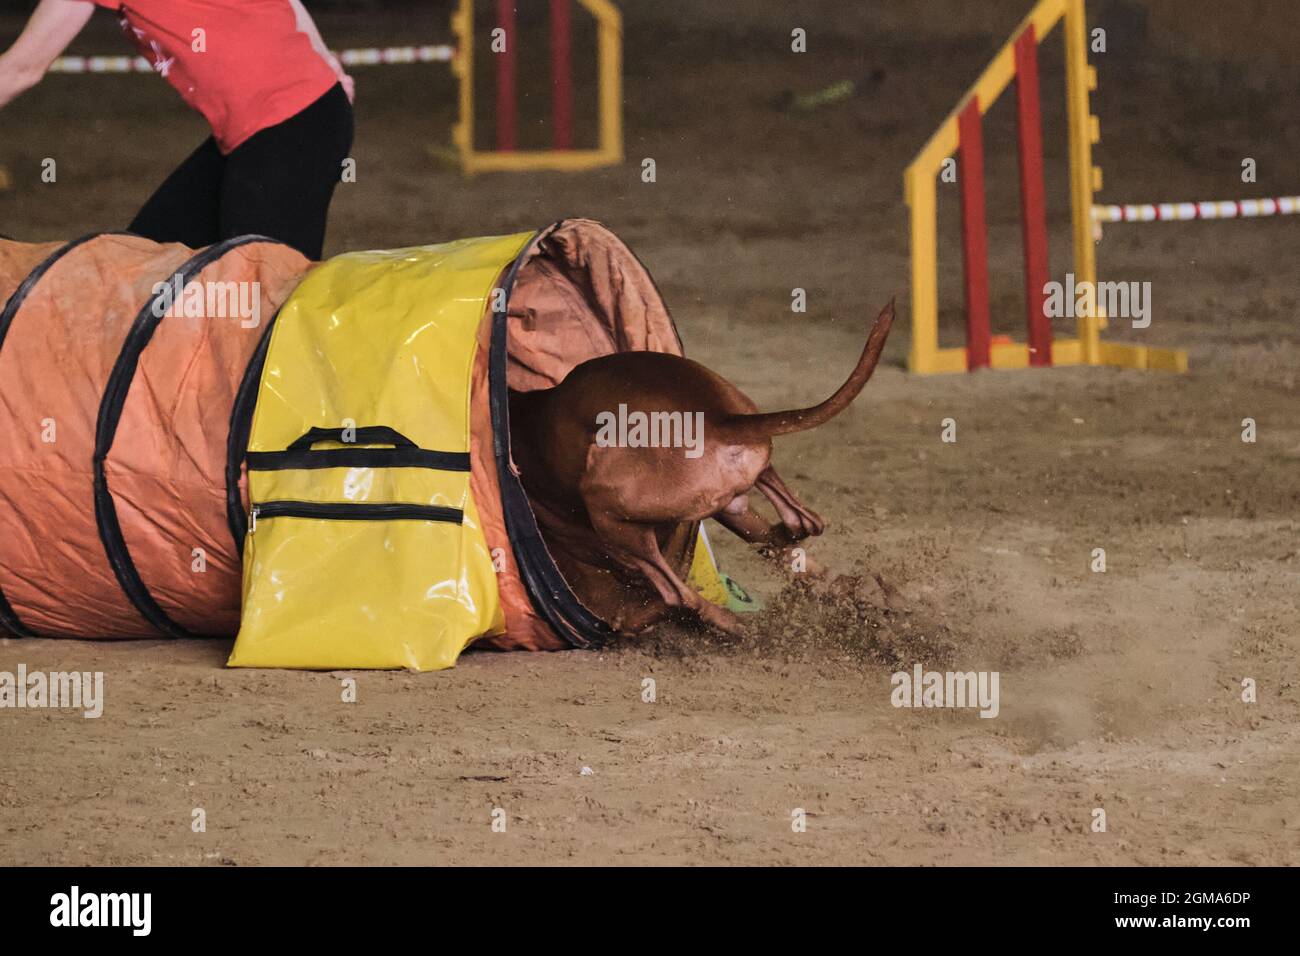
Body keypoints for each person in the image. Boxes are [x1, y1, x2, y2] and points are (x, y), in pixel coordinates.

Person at [0, 0, 354, 259]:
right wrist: (327, 62)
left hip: (296, 125)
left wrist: (326, 66)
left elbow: (21, 70)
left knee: (261, 303)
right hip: (275, 127)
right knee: (144, 262)